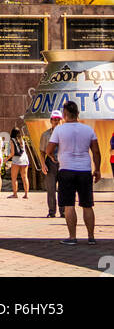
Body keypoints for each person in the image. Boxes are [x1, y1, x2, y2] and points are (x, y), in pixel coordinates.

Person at [46, 99, 101, 245]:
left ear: (64, 114)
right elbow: (96, 152)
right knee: (87, 204)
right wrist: (98, 169)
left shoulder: (59, 129)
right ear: (77, 114)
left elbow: (49, 149)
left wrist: (53, 157)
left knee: (69, 205)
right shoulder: (88, 129)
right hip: (84, 170)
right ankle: (91, 237)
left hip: (66, 170)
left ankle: (72, 237)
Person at [39, 109, 63, 218]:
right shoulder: (45, 135)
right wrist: (43, 164)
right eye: (54, 119)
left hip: (63, 163)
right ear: (51, 120)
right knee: (51, 189)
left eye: (58, 119)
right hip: (50, 163)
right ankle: (52, 211)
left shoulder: (66, 134)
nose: (56, 121)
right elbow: (42, 151)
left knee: (63, 188)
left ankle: (63, 212)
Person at [9, 126, 30, 200]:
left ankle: (15, 194)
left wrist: (6, 159)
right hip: (24, 159)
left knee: (14, 178)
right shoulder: (22, 140)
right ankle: (26, 194)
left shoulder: (12, 140)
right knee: (25, 177)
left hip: (16, 160)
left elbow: (12, 153)